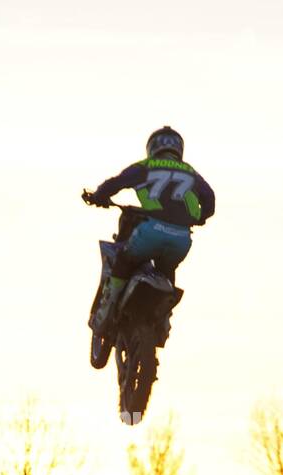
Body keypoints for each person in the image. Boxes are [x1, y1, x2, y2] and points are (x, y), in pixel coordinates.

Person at [82, 126, 215, 335]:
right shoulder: (191, 172)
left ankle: (107, 307)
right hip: (182, 239)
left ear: (152, 147)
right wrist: (201, 217)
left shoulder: (145, 166)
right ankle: (164, 320)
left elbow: (116, 182)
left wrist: (98, 196)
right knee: (167, 269)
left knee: (124, 260)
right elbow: (210, 198)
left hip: (151, 230)